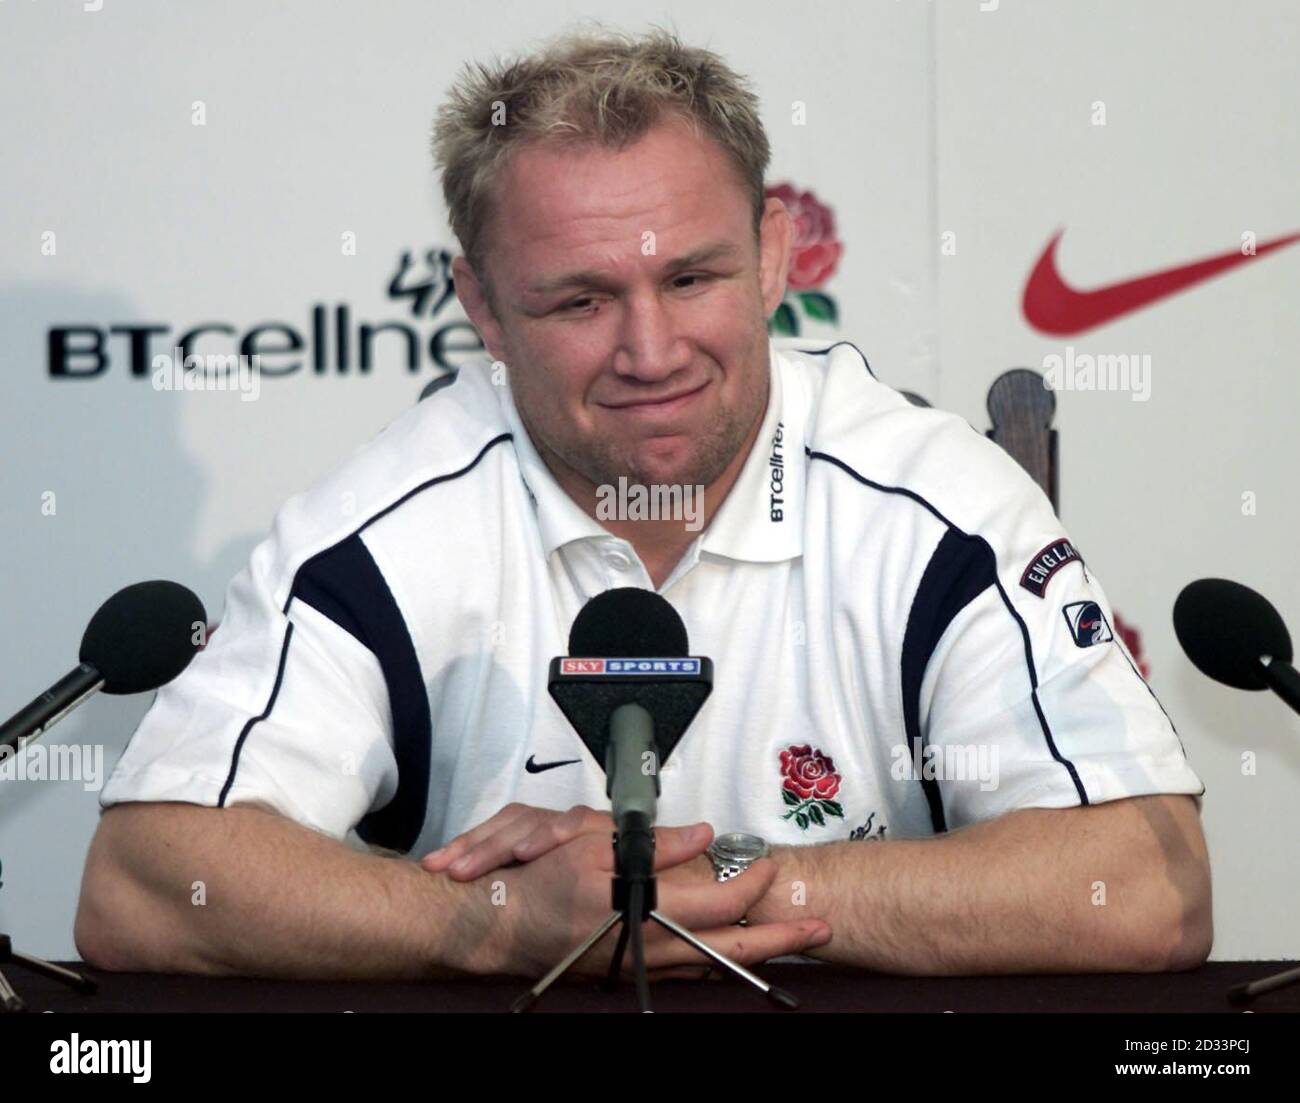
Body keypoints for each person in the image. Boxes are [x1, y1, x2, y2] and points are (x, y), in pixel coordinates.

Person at [75, 25, 1211, 982]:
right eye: (579, 298)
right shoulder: (380, 532)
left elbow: (1149, 886)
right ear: (479, 302)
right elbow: (142, 885)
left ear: (773, 257)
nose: (650, 351)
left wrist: (718, 880)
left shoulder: (939, 507)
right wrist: (497, 921)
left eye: (690, 279)